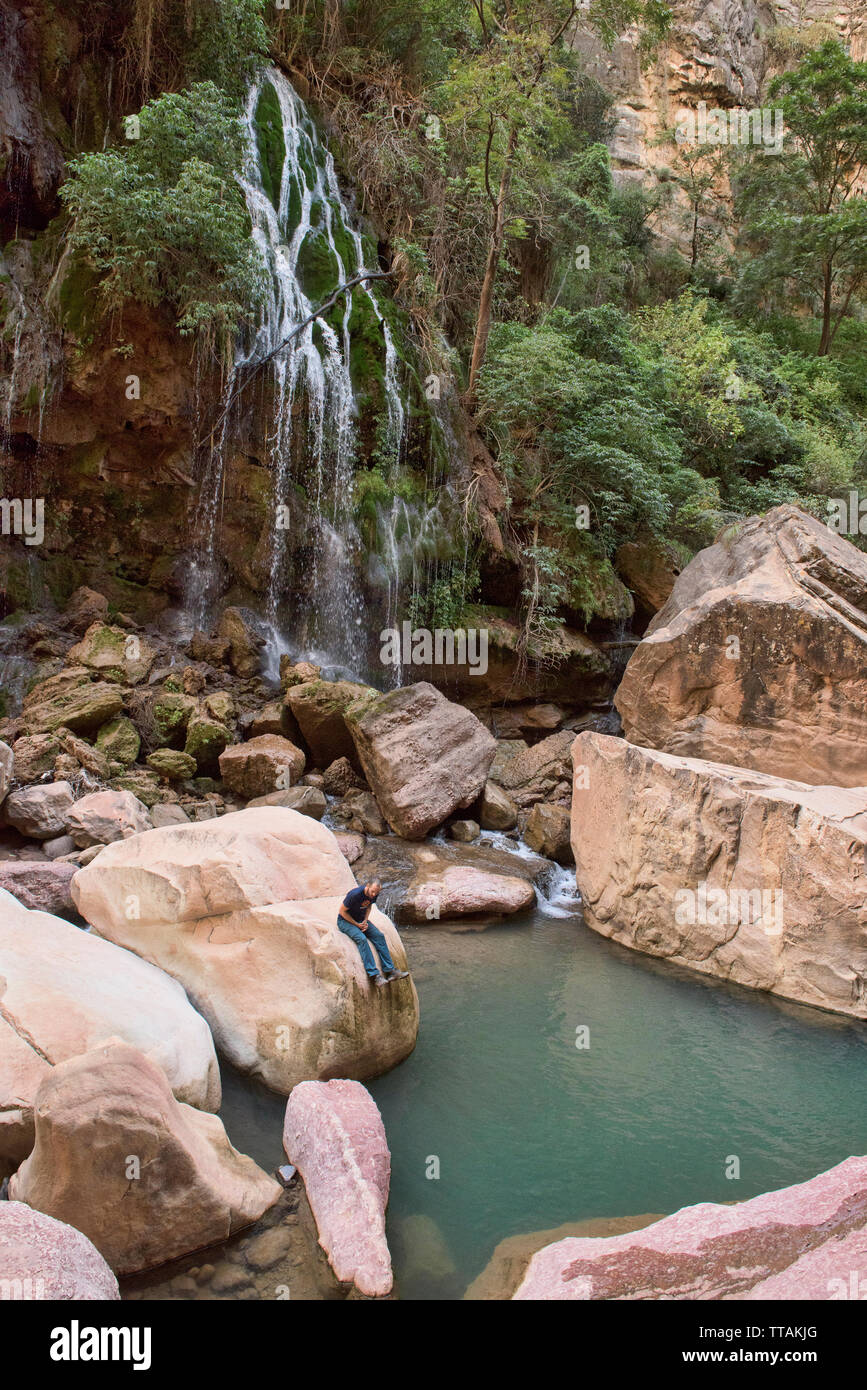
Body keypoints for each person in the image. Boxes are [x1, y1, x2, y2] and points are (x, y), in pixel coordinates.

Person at [337, 879, 409, 988]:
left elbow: (369, 906)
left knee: (379, 936)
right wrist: (357, 925)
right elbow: (342, 912)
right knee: (361, 939)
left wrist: (365, 920)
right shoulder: (355, 894)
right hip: (345, 921)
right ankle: (374, 976)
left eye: (376, 892)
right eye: (372, 892)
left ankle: (390, 971)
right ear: (368, 886)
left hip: (360, 920)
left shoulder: (374, 894)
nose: (374, 894)